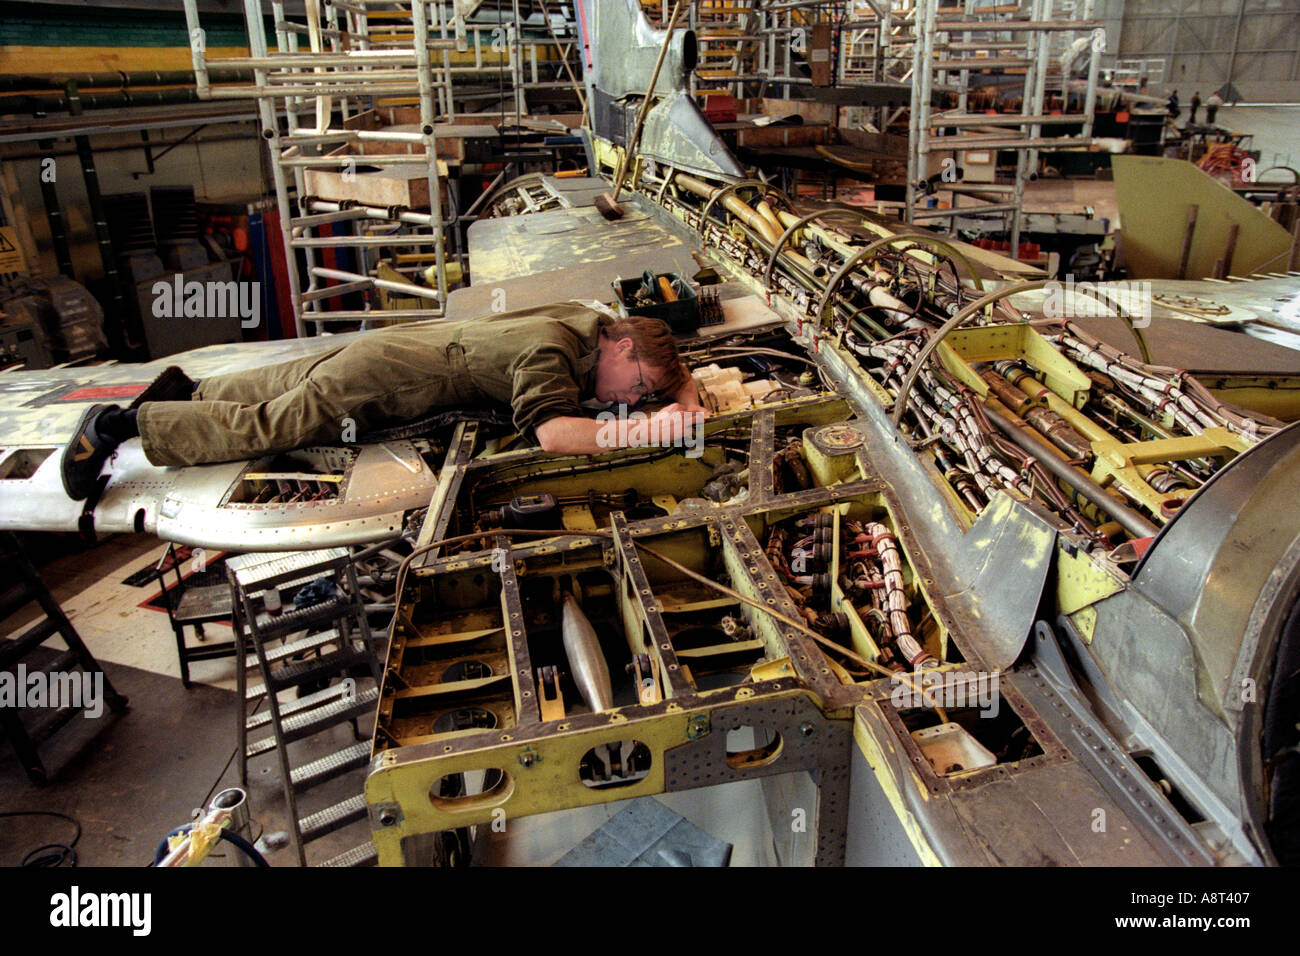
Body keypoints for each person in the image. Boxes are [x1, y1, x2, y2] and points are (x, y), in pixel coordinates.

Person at [61, 301, 707, 500]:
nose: (633, 402)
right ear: (620, 351)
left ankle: (188, 394)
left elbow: (663, 371)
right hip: (386, 383)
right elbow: (555, 437)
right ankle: (119, 426)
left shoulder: (588, 320)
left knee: (287, 383)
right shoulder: (552, 355)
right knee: (276, 424)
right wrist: (655, 431)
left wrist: (684, 393)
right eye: (640, 388)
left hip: (394, 353)